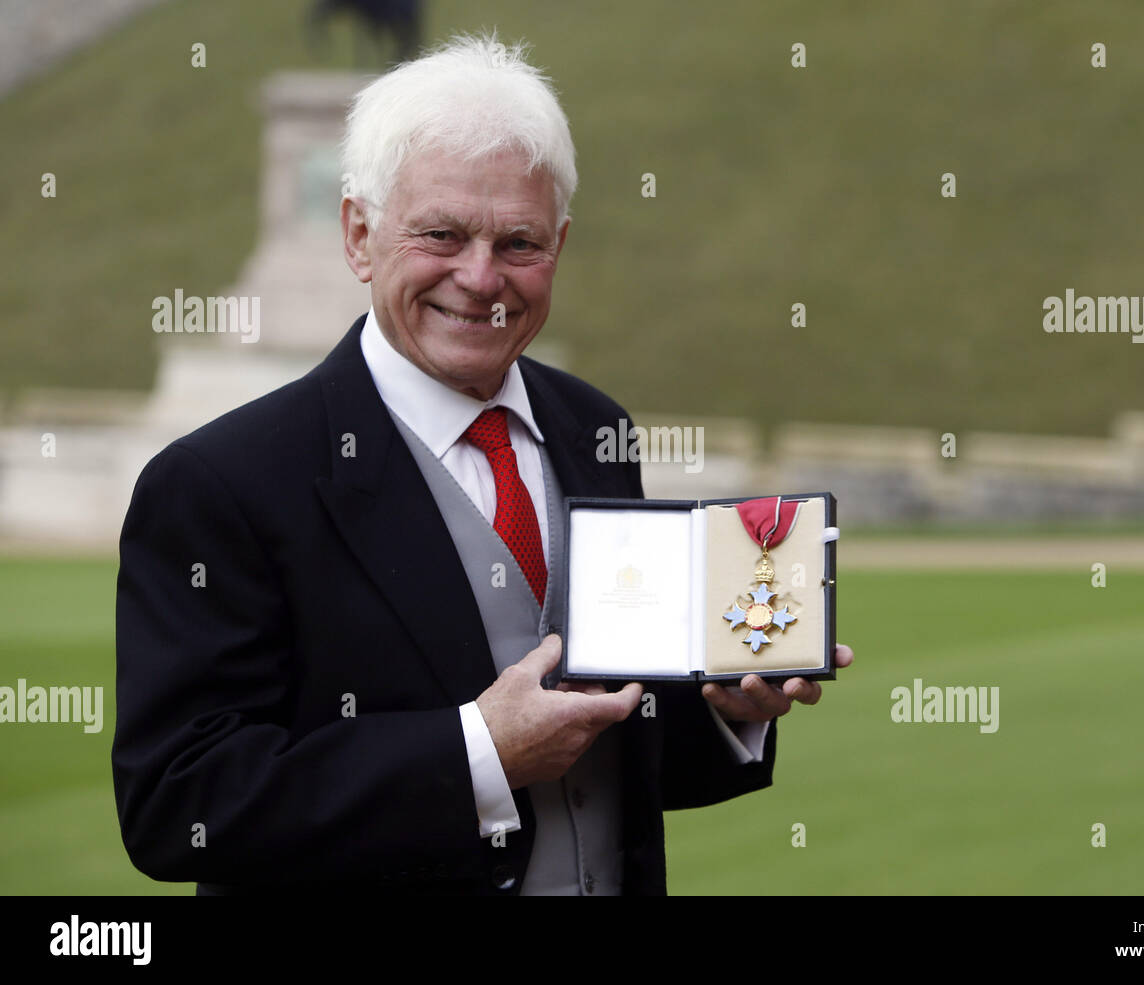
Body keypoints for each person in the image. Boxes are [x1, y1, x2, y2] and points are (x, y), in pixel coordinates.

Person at [111, 31, 852, 896]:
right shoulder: (221, 485)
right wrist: (475, 752)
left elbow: (613, 756)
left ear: (560, 246)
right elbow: (178, 802)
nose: (480, 276)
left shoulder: (595, 428)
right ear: (359, 235)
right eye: (441, 234)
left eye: (518, 244)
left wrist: (724, 711)